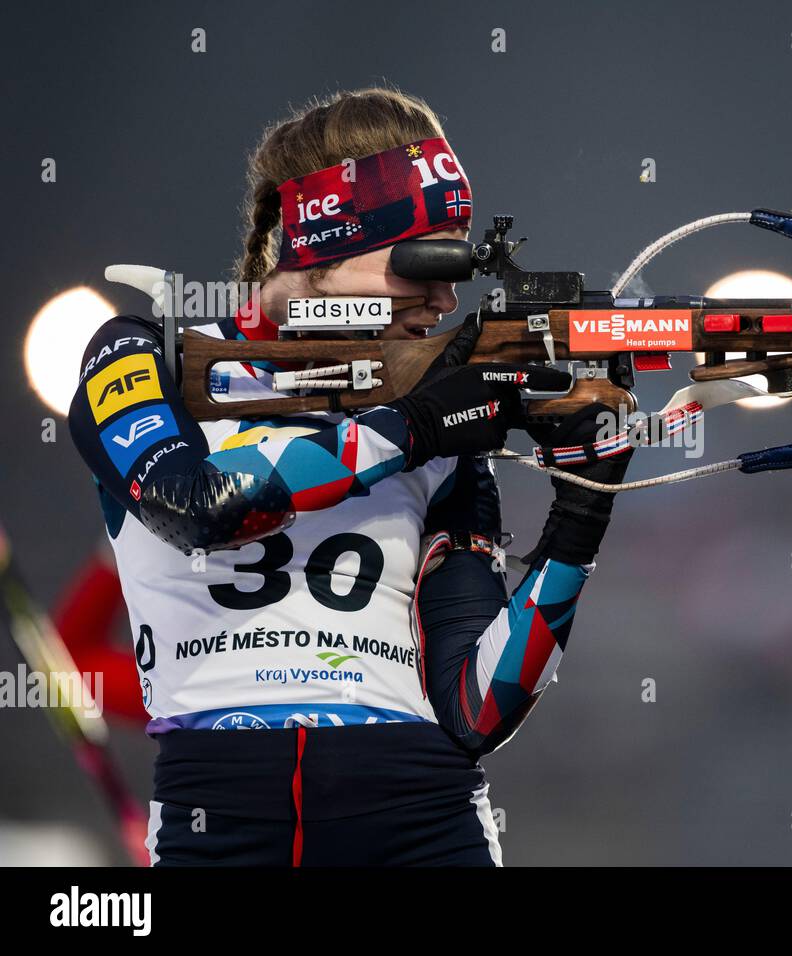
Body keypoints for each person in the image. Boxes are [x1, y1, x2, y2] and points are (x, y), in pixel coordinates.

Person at [67, 87, 631, 865]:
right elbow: (198, 505)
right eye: (423, 261)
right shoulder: (142, 354)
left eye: (458, 263)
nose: (444, 298)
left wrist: (581, 512)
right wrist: (417, 426)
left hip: (424, 816)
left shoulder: (432, 417)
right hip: (219, 820)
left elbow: (476, 711)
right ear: (320, 245)